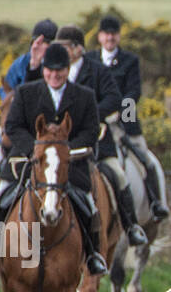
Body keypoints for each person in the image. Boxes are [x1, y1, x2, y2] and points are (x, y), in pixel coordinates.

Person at [0, 42, 108, 275]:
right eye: (50, 71)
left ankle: (93, 255)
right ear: (44, 70)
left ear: (67, 69)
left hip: (69, 163)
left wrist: (61, 151)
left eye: (60, 71)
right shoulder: (26, 93)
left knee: (88, 203)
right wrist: (35, 149)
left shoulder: (84, 96)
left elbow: (91, 131)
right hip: (27, 160)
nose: (54, 76)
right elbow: (13, 126)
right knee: (1, 194)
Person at [30, 24, 147, 248]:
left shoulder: (98, 70)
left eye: (64, 47)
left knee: (118, 176)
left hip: (93, 141)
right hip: (52, 145)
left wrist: (89, 115)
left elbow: (114, 98)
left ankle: (131, 227)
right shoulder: (52, 71)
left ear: (78, 49)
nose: (61, 52)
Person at [88, 14, 169, 220]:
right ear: (99, 37)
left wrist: (122, 115)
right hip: (96, 123)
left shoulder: (130, 61)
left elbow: (134, 92)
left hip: (124, 123)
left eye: (113, 34)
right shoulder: (90, 60)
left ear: (119, 37)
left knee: (146, 160)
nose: (110, 38)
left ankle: (156, 203)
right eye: (106, 34)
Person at [0, 18, 58, 192]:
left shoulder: (56, 67)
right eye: (38, 42)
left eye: (47, 43)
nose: (42, 47)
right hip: (16, 125)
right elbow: (6, 93)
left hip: (46, 129)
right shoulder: (20, 63)